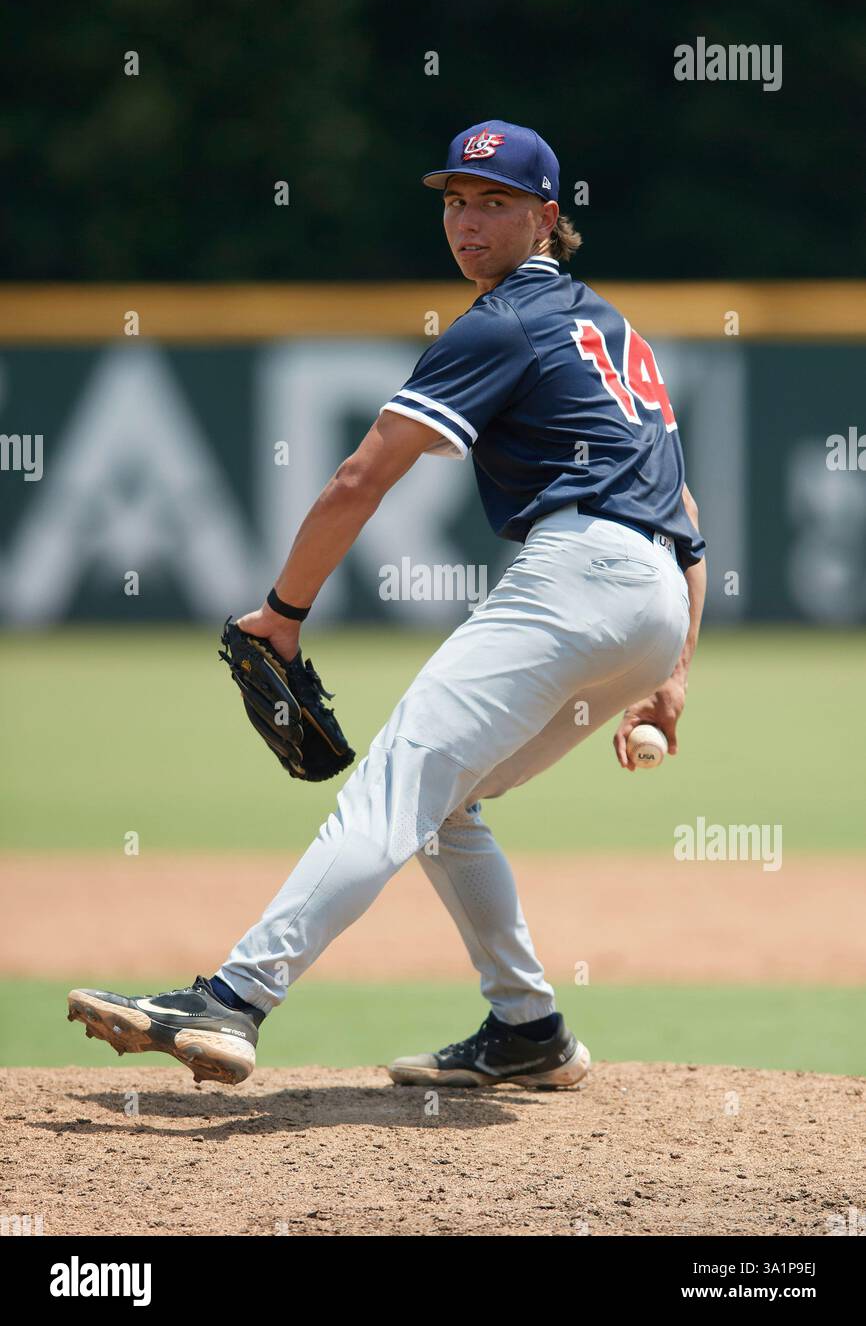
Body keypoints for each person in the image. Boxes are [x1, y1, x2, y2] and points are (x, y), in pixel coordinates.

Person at [68, 119, 706, 1091]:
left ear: (545, 216)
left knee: (397, 780)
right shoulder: (609, 329)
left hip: (578, 575)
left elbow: (360, 477)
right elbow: (686, 512)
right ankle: (527, 1025)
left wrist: (281, 611)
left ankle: (231, 999)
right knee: (447, 804)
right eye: (453, 200)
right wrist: (672, 672)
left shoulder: (501, 320)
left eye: (493, 202)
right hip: (650, 596)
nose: (466, 221)